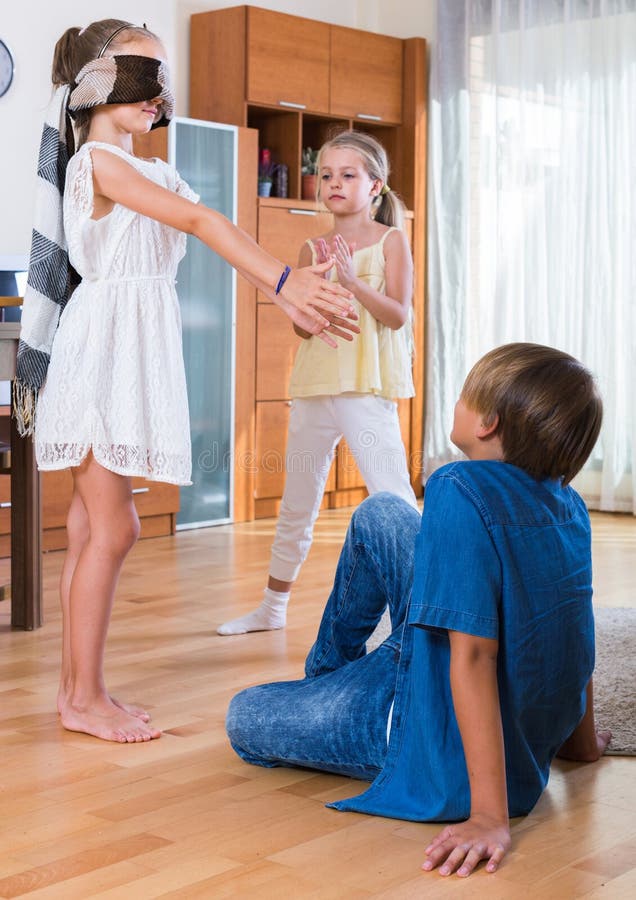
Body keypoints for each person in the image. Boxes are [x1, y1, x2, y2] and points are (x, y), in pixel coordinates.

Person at [15, 19, 357, 744]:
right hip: (102, 351)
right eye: (144, 73)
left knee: (91, 525)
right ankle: (83, 697)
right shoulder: (97, 165)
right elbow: (202, 222)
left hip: (130, 348)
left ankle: (80, 692)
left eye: (163, 78)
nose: (159, 93)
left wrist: (300, 299)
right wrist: (281, 280)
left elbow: (210, 221)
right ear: (97, 82)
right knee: (112, 525)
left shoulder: (152, 170)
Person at [226, 343, 612, 878]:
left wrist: (489, 817)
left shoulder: (456, 486)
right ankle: (332, 677)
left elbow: (475, 655)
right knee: (382, 511)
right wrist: (581, 744)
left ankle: (348, 691)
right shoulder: (567, 502)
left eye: (462, 396)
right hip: (450, 681)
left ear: (487, 422)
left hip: (427, 734)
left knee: (245, 716)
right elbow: (574, 625)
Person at [218, 130, 418, 636]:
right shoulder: (312, 248)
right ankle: (271, 608)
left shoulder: (392, 241)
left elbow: (397, 316)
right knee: (297, 502)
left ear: (375, 186)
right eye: (326, 174)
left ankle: (415, 618)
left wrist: (351, 284)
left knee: (392, 500)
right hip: (314, 387)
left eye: (348, 174)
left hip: (364, 390)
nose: (334, 183)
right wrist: (314, 303)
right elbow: (298, 326)